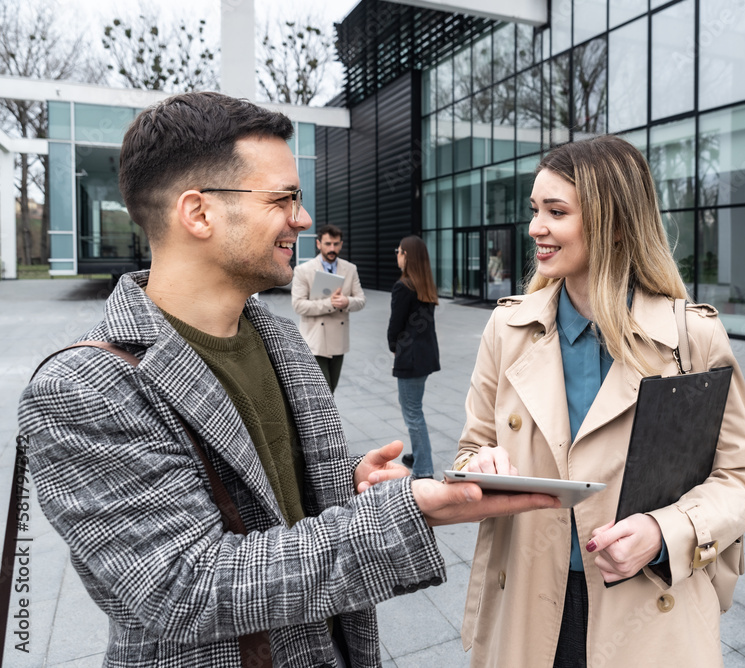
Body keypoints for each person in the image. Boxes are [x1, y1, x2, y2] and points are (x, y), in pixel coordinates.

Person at [17, 91, 559, 668]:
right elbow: (183, 587)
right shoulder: (83, 387)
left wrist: (341, 486)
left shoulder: (276, 339)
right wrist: (407, 512)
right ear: (198, 213)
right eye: (284, 199)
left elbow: (264, 499)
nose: (302, 218)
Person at [453, 135, 745, 667]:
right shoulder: (508, 328)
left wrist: (664, 532)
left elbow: (741, 480)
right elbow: (470, 451)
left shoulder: (692, 337)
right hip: (529, 607)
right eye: (535, 210)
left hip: (647, 609)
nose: (535, 228)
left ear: (614, 223)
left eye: (556, 211)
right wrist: (481, 466)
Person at [387, 236, 441, 480]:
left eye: (399, 251)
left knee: (412, 413)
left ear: (406, 256)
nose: (396, 255)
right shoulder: (425, 285)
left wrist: (393, 347)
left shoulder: (404, 286)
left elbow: (395, 325)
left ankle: (423, 468)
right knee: (414, 409)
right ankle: (418, 455)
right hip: (425, 357)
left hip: (410, 358)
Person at [291, 224, 365, 394]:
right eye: (328, 244)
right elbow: (298, 305)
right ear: (319, 244)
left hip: (338, 340)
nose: (332, 248)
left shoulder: (350, 269)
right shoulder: (303, 270)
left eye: (336, 244)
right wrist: (330, 304)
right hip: (315, 341)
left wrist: (347, 302)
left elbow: (361, 300)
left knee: (331, 390)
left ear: (341, 244)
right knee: (323, 392)